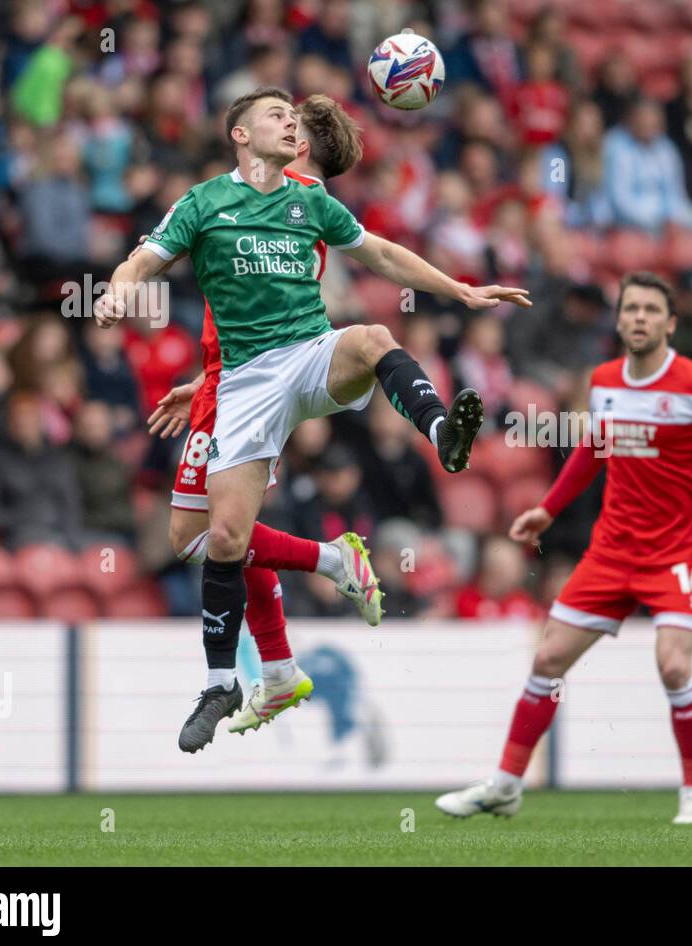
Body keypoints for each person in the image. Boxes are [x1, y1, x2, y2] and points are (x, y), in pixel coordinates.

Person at [94, 87, 530, 754]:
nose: (288, 121)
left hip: (306, 355)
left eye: (293, 117)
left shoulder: (309, 198)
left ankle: (443, 432)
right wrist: (121, 286)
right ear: (238, 134)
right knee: (224, 538)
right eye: (275, 114)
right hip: (240, 382)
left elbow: (382, 253)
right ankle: (224, 682)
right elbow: (145, 258)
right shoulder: (204, 202)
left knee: (372, 335)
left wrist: (461, 289)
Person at [436, 272, 692, 825]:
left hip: (676, 555)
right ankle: (505, 785)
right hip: (612, 552)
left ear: (669, 323)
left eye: (650, 309)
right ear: (618, 321)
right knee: (547, 660)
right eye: (630, 309)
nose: (638, 317)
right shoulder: (605, 380)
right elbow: (593, 446)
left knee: (672, 666)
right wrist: (548, 508)